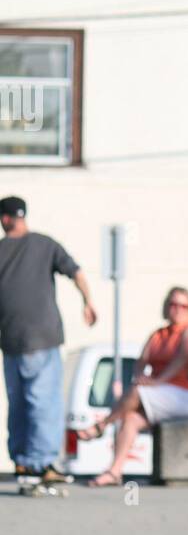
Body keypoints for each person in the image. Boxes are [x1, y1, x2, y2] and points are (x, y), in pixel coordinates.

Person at [0, 196, 97, 486]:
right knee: (36, 401)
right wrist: (88, 301)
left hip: (19, 339)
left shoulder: (36, 245)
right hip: (27, 339)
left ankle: (30, 461)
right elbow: (76, 271)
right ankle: (35, 463)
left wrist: (87, 301)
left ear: (6, 218)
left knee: (27, 402)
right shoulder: (43, 244)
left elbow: (74, 271)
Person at [77, 286, 188, 485]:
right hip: (162, 396)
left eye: (183, 305)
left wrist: (155, 382)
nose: (177, 309)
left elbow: (180, 361)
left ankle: (102, 425)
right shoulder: (158, 334)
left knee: (138, 392)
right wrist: (140, 376)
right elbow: (142, 361)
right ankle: (114, 471)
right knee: (130, 418)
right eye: (173, 304)